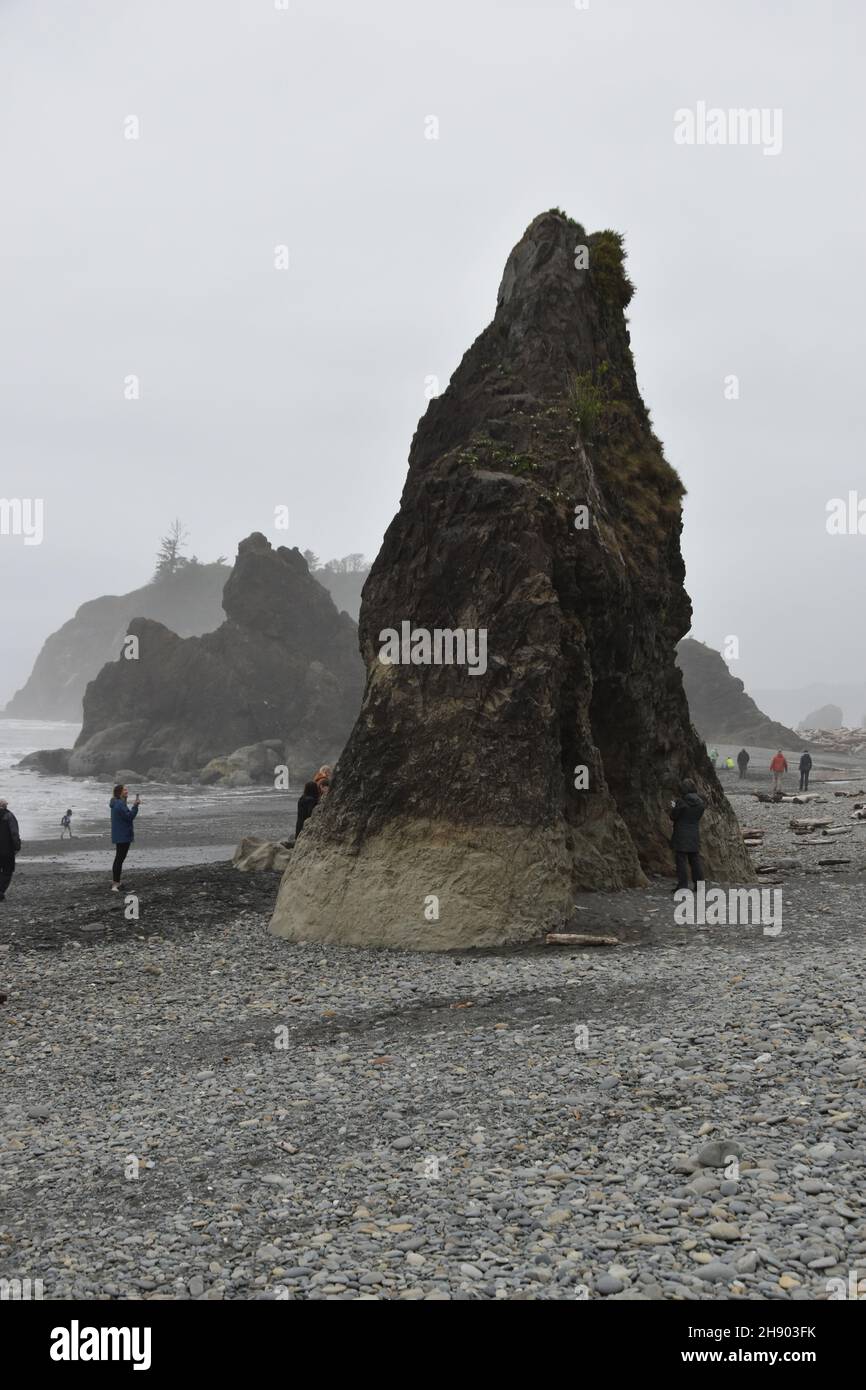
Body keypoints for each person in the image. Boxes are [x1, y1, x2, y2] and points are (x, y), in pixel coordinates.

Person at [669, 779, 705, 892]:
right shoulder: (700, 802)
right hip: (694, 833)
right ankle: (699, 886)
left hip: (681, 834)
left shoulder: (681, 802)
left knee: (681, 861)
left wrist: (674, 807)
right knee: (695, 860)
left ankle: (683, 886)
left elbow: (673, 816)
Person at [109, 784, 140, 892]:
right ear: (120, 792)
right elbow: (129, 817)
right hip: (123, 835)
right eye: (125, 790)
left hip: (119, 834)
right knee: (119, 859)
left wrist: (125, 800)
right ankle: (115, 884)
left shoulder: (116, 803)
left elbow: (123, 814)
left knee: (119, 858)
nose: (127, 791)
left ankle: (116, 882)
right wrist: (135, 806)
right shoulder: (119, 804)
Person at [0, 799, 22, 902]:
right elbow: (14, 833)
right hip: (7, 849)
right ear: (5, 806)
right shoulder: (9, 816)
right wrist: (17, 846)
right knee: (7, 871)